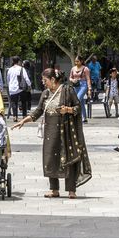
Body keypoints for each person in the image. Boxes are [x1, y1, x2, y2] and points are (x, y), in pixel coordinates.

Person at [13, 67, 91, 198]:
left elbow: (78, 107)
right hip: (50, 131)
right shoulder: (45, 93)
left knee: (69, 157)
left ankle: (71, 190)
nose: (44, 83)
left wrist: (67, 110)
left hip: (66, 130)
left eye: (45, 80)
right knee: (50, 157)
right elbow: (38, 111)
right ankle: (54, 189)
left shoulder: (67, 90)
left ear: (53, 79)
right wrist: (24, 121)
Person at [5, 56, 30, 121]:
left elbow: (8, 79)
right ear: (19, 61)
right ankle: (24, 116)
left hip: (12, 88)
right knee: (23, 102)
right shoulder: (21, 68)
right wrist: (29, 85)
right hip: (21, 88)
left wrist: (9, 85)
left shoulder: (10, 69)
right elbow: (26, 78)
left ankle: (15, 117)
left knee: (14, 103)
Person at [69, 56, 90, 123]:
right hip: (76, 86)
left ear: (81, 61)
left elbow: (88, 79)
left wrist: (89, 88)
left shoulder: (85, 69)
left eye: (77, 61)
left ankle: (76, 116)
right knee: (81, 102)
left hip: (83, 85)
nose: (76, 62)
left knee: (77, 99)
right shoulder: (73, 68)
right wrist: (73, 80)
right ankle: (84, 118)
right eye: (75, 61)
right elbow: (70, 77)